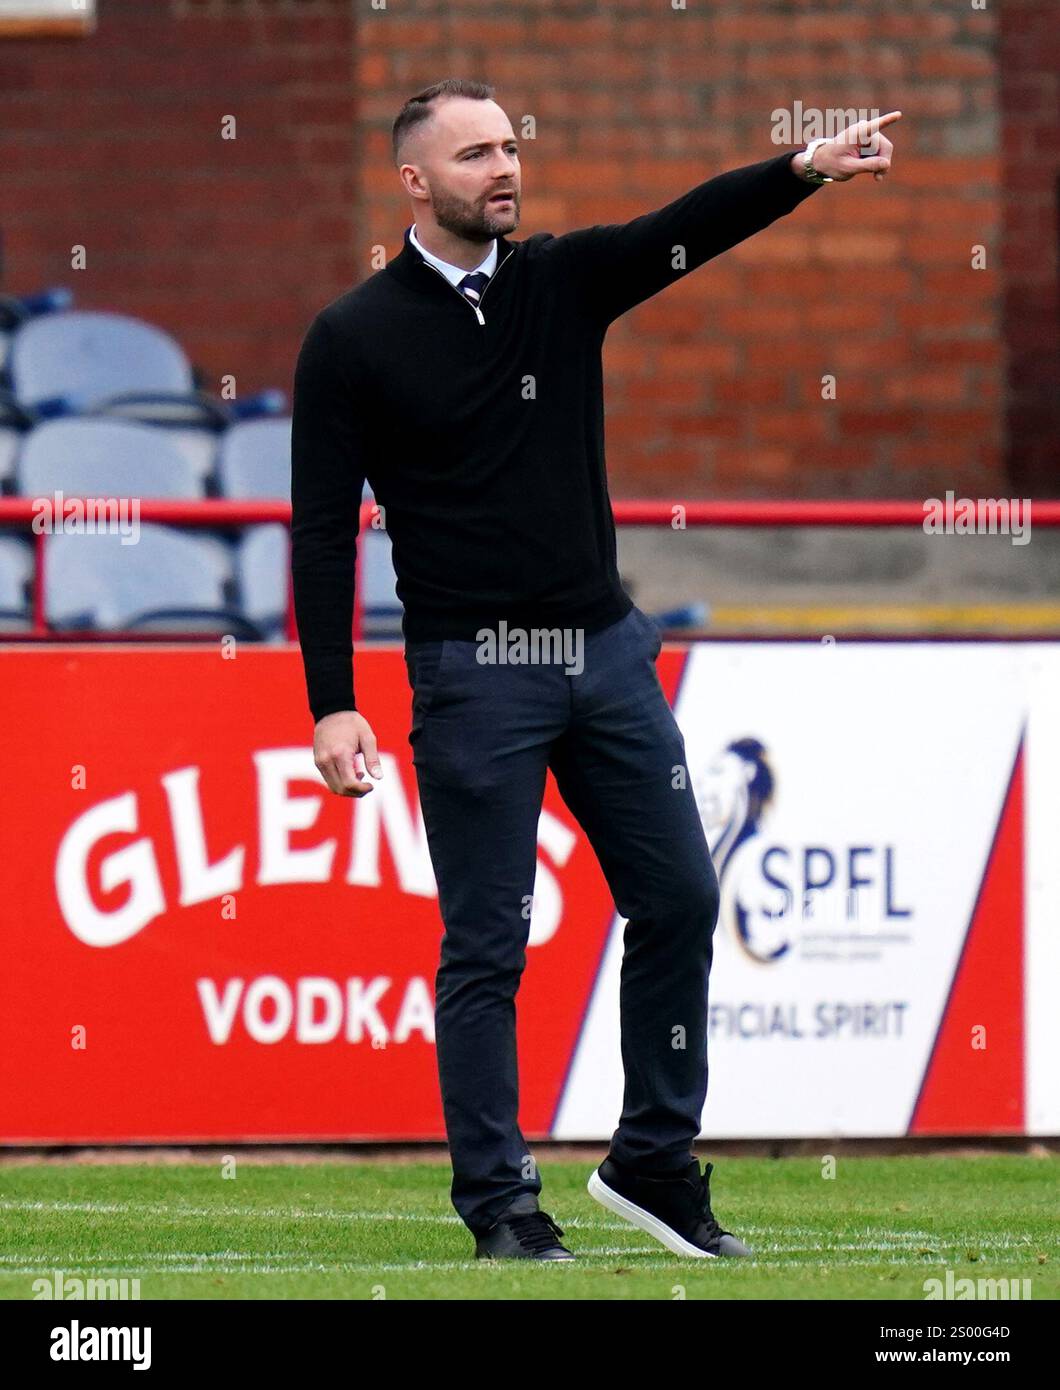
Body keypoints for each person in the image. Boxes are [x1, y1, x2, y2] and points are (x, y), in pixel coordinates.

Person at [290, 78, 900, 1261]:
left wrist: (799, 172)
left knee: (679, 898)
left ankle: (653, 1165)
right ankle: (502, 1203)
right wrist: (331, 701)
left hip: (605, 652)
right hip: (474, 675)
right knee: (488, 945)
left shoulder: (562, 281)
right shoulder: (352, 336)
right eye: (473, 156)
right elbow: (321, 529)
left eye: (512, 145)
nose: (502, 169)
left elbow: (680, 231)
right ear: (413, 182)